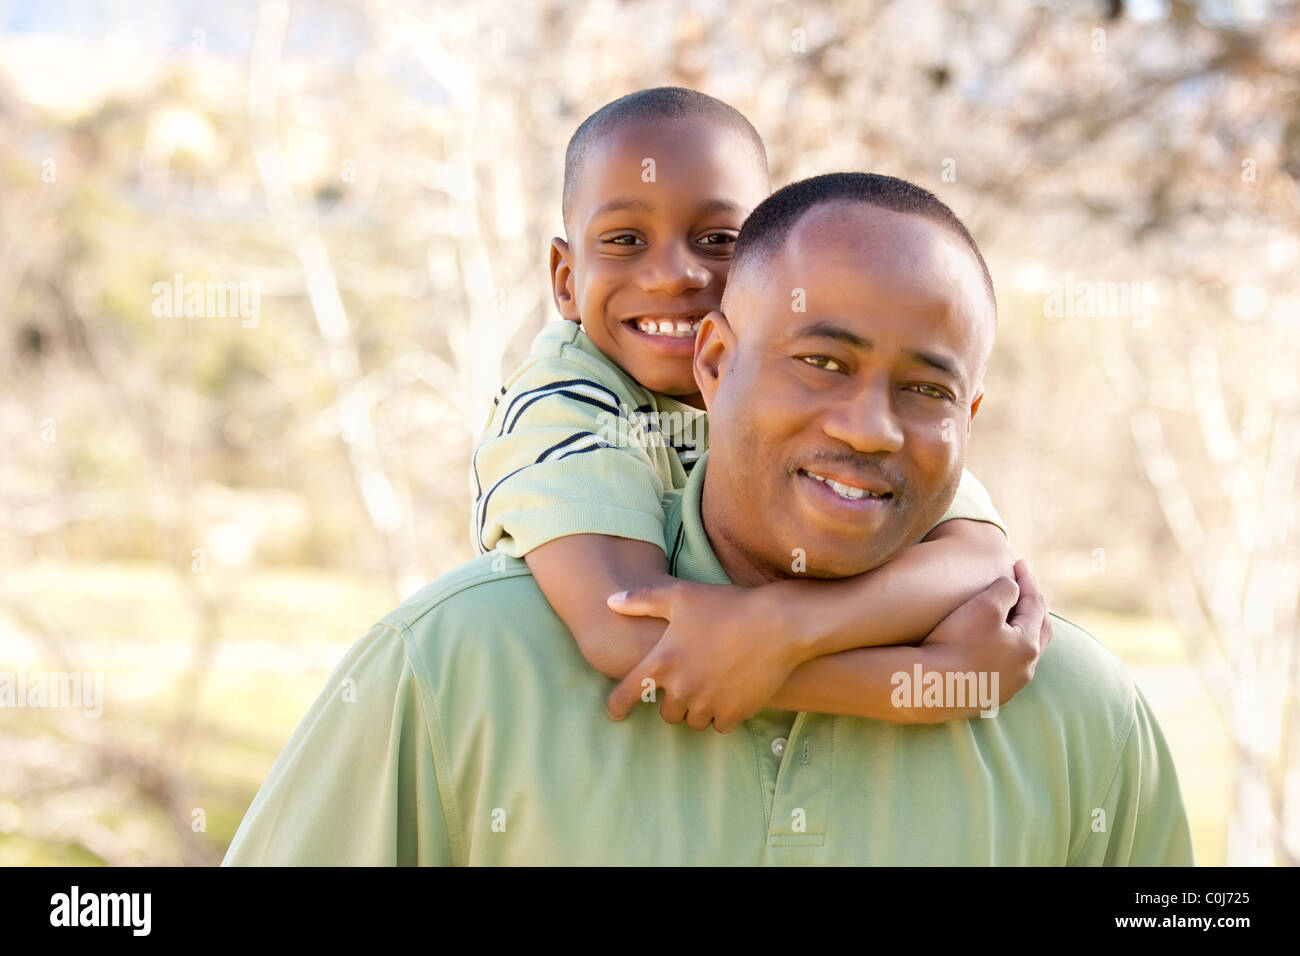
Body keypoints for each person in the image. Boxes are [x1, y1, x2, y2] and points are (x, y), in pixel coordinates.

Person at [223, 172, 1195, 865]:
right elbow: (624, 629)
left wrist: (798, 639)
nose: (869, 426)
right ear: (715, 360)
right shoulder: (454, 666)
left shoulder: (1076, 709)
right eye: (821, 361)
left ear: (968, 419)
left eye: (922, 388)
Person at [475, 87, 1043, 732]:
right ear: (565, 279)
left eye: (717, 239)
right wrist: (914, 688)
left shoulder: (815, 397)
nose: (674, 275)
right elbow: (624, 629)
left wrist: (787, 626)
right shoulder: (560, 404)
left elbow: (976, 556)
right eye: (626, 239)